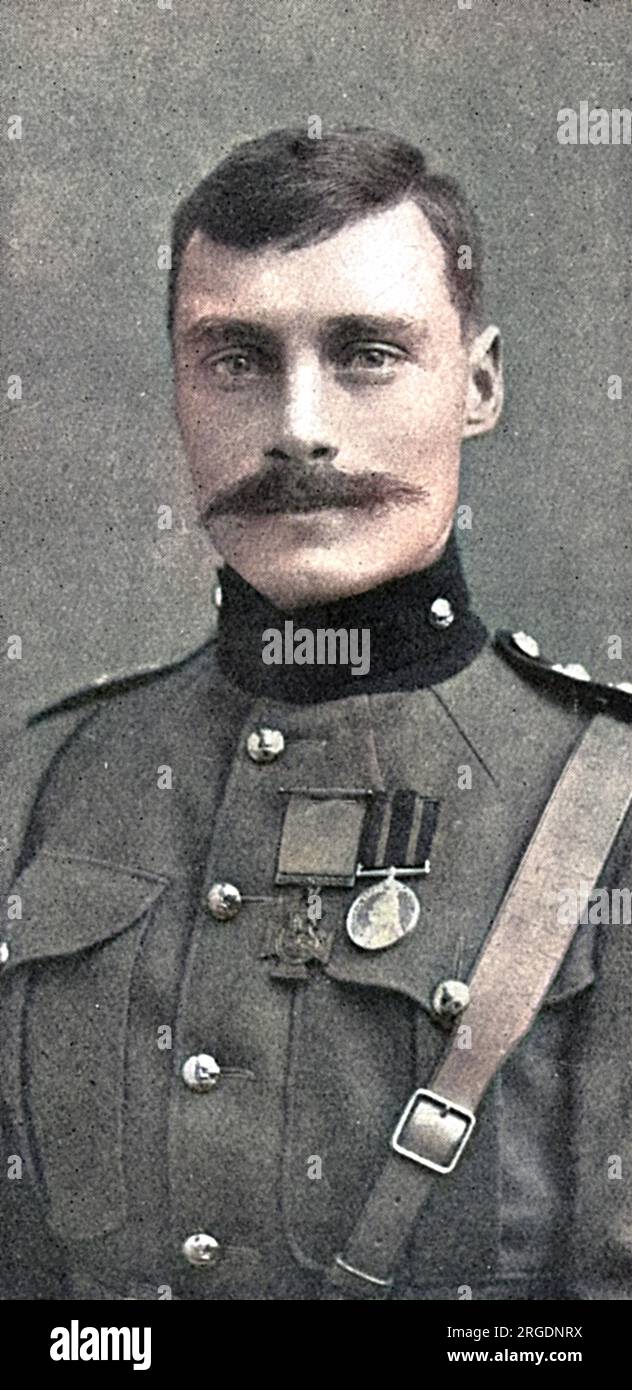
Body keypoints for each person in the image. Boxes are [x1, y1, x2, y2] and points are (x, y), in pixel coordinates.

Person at [2, 127, 631, 1302]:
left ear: (478, 384)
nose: (297, 426)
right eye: (234, 360)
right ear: (179, 392)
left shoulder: (603, 800)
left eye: (365, 354)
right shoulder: (48, 784)